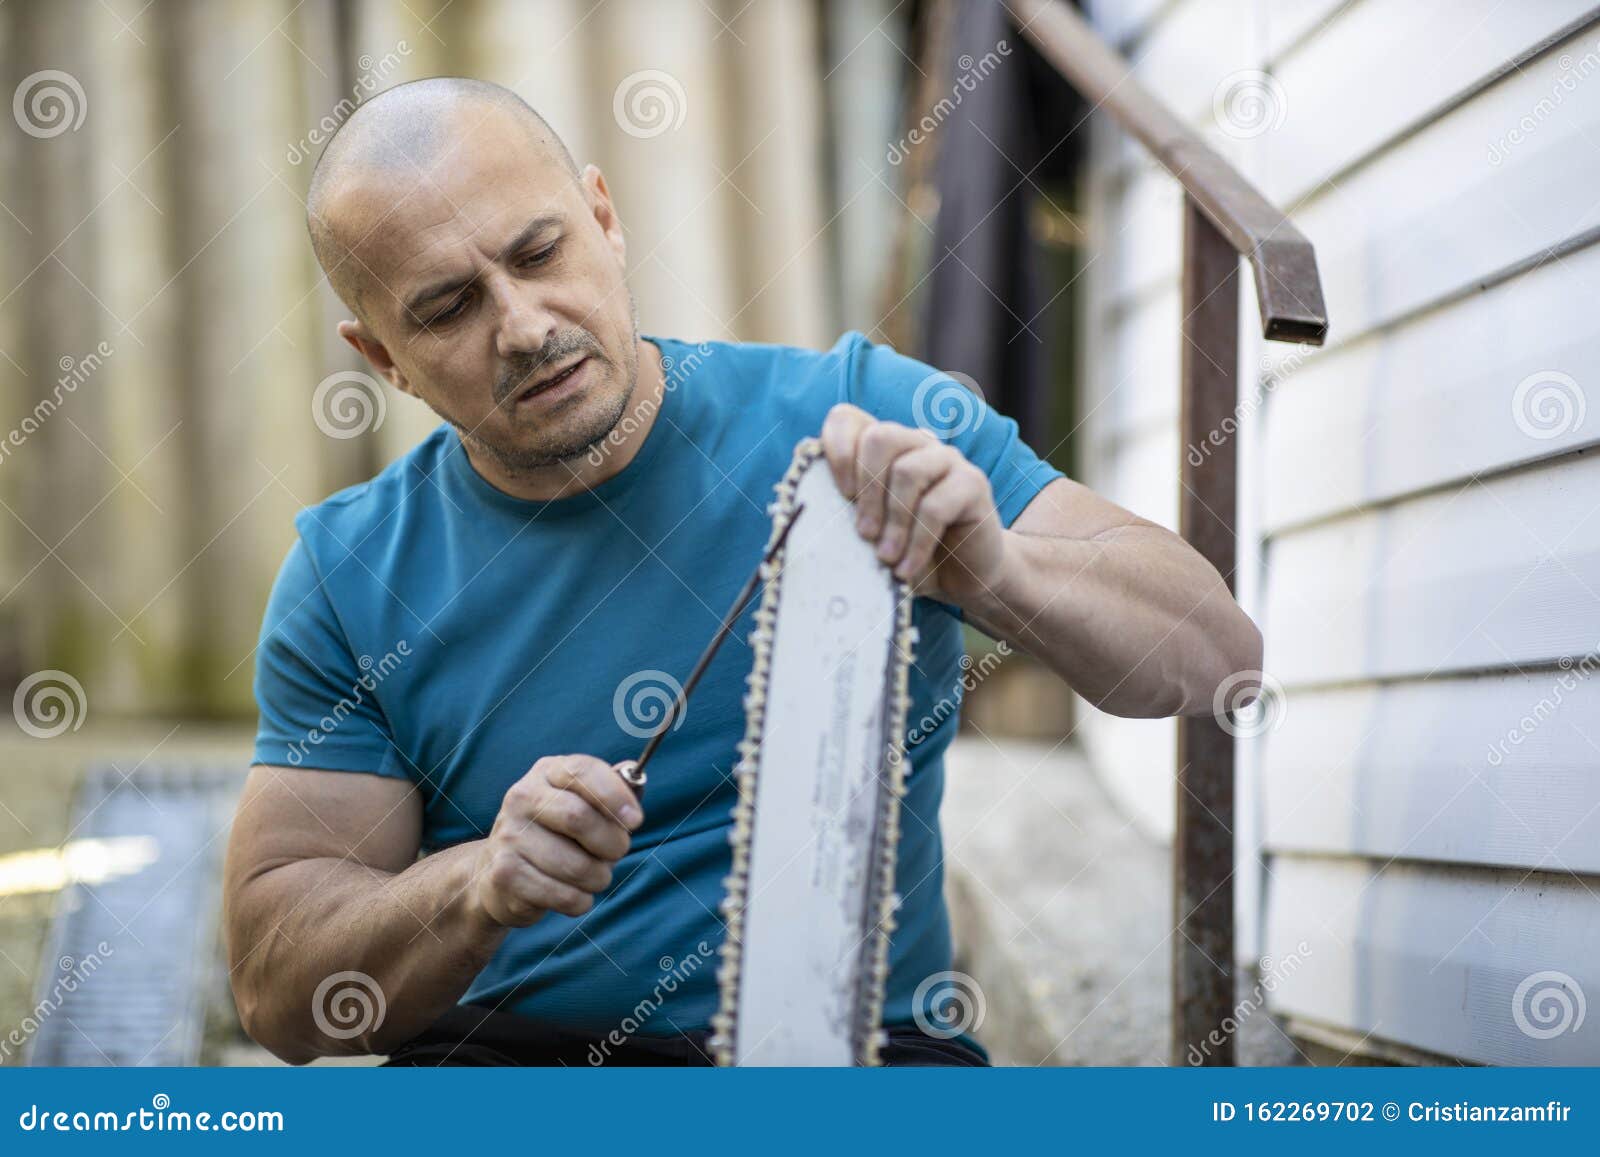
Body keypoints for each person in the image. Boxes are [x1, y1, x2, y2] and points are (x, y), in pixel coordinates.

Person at [222, 77, 1262, 1067]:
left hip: (862, 1057)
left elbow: (1214, 654)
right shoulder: (352, 572)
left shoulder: (860, 413)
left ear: (603, 216)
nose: (526, 325)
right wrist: (474, 884)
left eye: (539, 251)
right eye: (449, 307)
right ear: (384, 361)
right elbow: (277, 991)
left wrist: (998, 570)